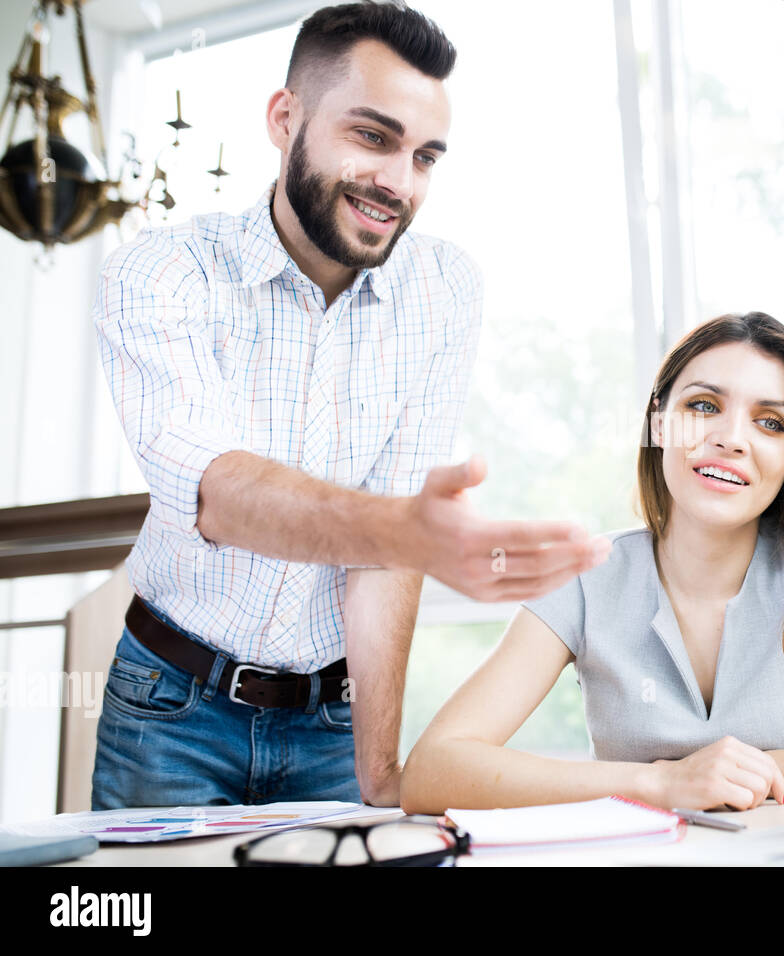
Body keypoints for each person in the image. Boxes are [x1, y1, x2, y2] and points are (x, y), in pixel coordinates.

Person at [89, 0, 610, 812]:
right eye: (372, 137)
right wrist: (405, 529)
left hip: (335, 718)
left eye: (426, 156)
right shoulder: (163, 272)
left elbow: (383, 562)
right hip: (171, 710)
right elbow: (216, 494)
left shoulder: (443, 291)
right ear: (284, 117)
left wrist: (379, 771)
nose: (398, 184)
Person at [400, 312, 784, 814]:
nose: (732, 438)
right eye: (704, 406)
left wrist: (757, 775)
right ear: (659, 423)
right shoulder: (587, 580)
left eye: (771, 422)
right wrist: (659, 783)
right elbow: (434, 770)